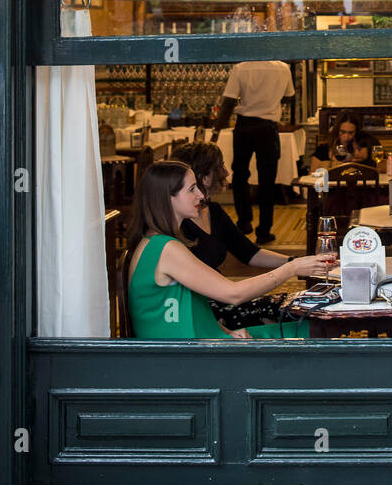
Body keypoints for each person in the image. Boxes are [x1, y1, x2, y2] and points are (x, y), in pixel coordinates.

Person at [126, 160, 331, 340]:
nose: (200, 194)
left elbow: (191, 307)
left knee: (308, 328)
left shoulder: (154, 242)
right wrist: (292, 268)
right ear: (167, 198)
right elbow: (233, 294)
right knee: (311, 330)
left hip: (189, 345)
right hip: (184, 356)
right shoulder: (166, 248)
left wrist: (225, 332)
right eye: (191, 189)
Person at [172, 140, 296, 330]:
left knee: (293, 307)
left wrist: (294, 262)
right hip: (201, 306)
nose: (226, 172)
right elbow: (229, 293)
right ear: (204, 176)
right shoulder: (177, 223)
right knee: (277, 316)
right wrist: (293, 268)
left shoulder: (213, 211)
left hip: (221, 296)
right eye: (220, 166)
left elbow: (248, 252)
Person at [210, 59, 294, 244]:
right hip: (268, 128)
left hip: (244, 126)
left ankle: (244, 222)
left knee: (240, 176)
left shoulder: (241, 68)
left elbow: (228, 102)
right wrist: (270, 98)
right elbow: (289, 96)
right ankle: (264, 230)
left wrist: (216, 131)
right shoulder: (283, 68)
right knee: (267, 180)